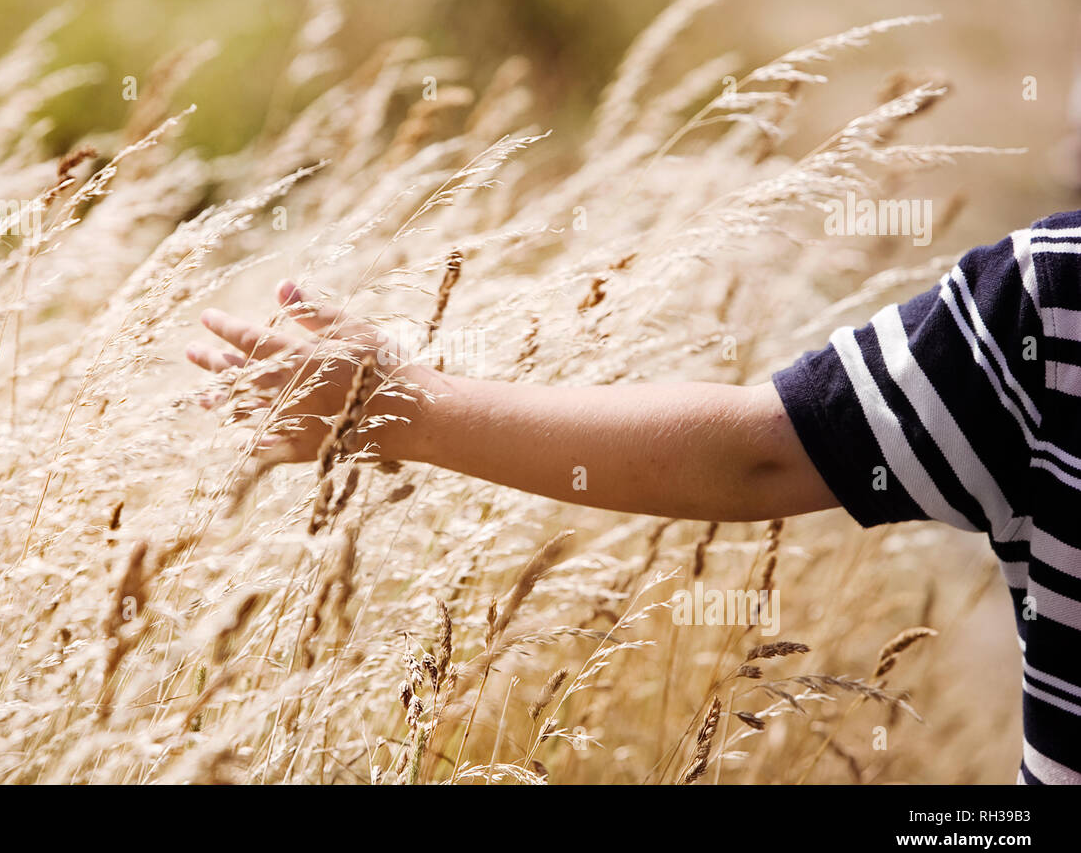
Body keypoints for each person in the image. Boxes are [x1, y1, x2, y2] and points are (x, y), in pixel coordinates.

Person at [186, 209, 1081, 785]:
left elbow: (761, 454)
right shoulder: (1050, 301)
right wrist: (402, 407)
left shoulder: (1056, 294)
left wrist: (403, 407)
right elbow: (760, 452)